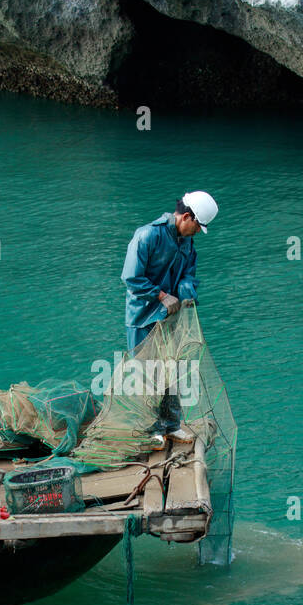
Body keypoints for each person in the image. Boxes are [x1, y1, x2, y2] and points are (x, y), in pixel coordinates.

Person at [120, 190, 218, 445]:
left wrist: (186, 294)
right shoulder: (147, 235)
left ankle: (171, 425)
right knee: (147, 374)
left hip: (172, 317)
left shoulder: (187, 243)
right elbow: (131, 278)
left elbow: (188, 274)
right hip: (143, 317)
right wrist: (162, 295)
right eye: (198, 226)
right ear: (187, 217)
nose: (197, 232)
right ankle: (148, 429)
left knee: (173, 371)